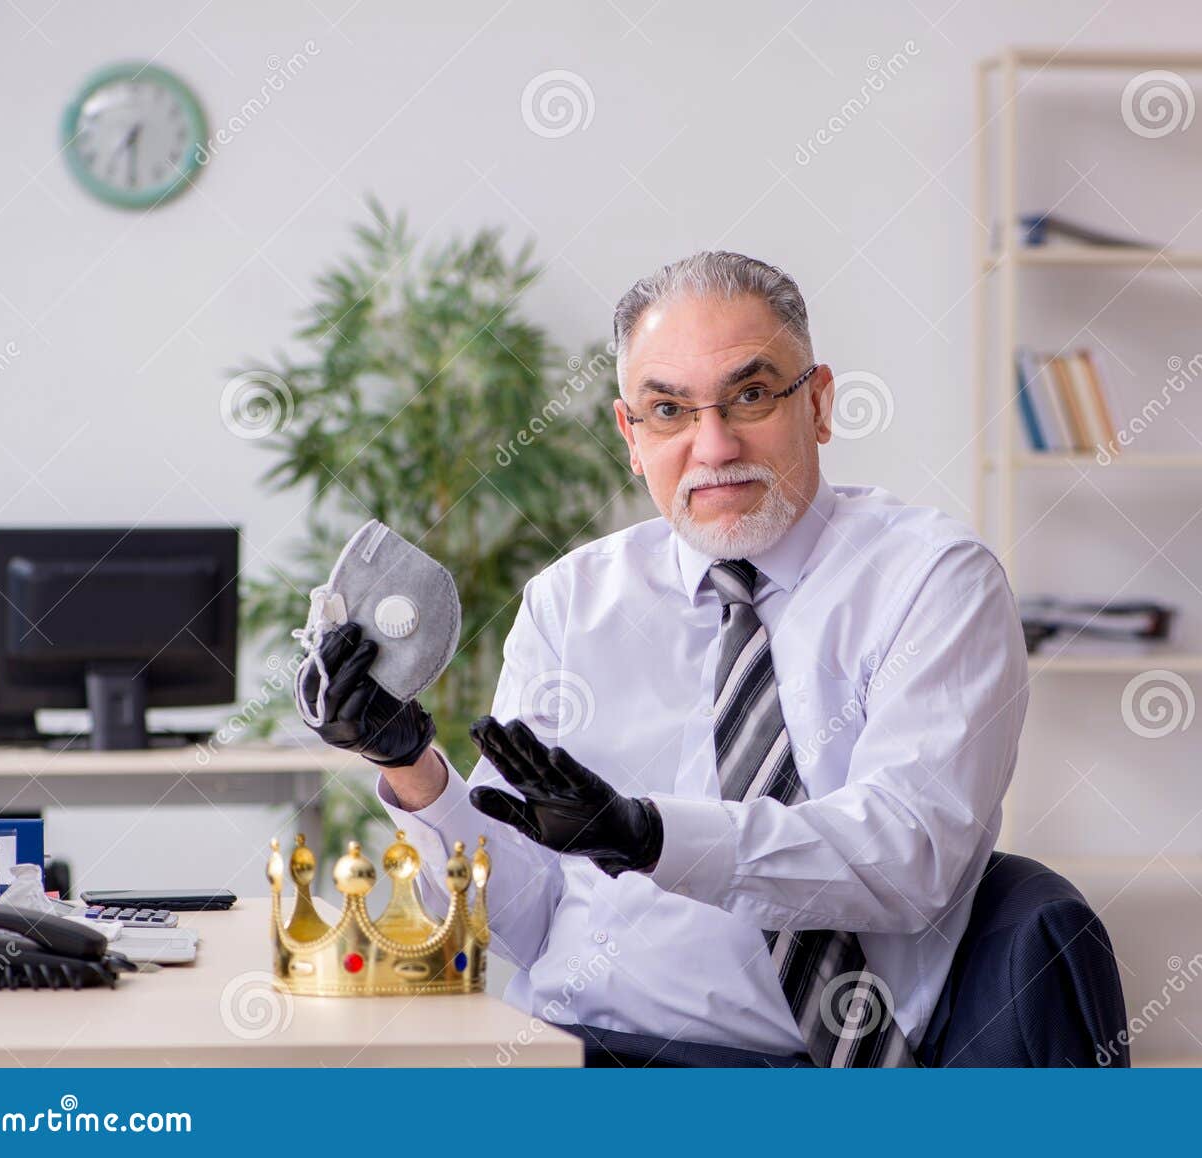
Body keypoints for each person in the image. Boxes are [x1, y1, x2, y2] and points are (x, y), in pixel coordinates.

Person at [300, 251, 1029, 1067]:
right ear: (631, 436)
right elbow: (522, 919)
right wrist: (410, 768)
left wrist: (649, 836)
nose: (713, 446)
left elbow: (910, 856)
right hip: (566, 1060)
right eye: (670, 410)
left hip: (799, 1081)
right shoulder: (570, 601)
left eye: (750, 396)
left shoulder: (933, 579)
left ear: (819, 403)